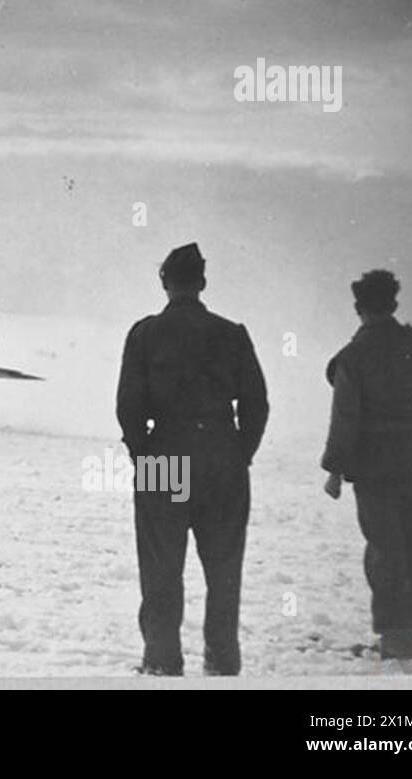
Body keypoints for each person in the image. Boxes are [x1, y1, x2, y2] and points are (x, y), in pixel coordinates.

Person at [116, 243, 269, 676]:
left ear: (164, 282)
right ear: (202, 283)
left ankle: (162, 663)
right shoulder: (232, 333)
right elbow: (257, 404)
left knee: (161, 569)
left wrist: (143, 454)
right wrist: (240, 454)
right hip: (222, 458)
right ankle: (222, 663)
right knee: (224, 572)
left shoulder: (144, 334)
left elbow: (129, 407)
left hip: (164, 455)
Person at [320, 270, 412, 660]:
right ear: (394, 305)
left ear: (358, 308)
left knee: (384, 549)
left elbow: (346, 418)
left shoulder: (353, 357)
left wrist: (334, 471)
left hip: (376, 469)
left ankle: (396, 638)